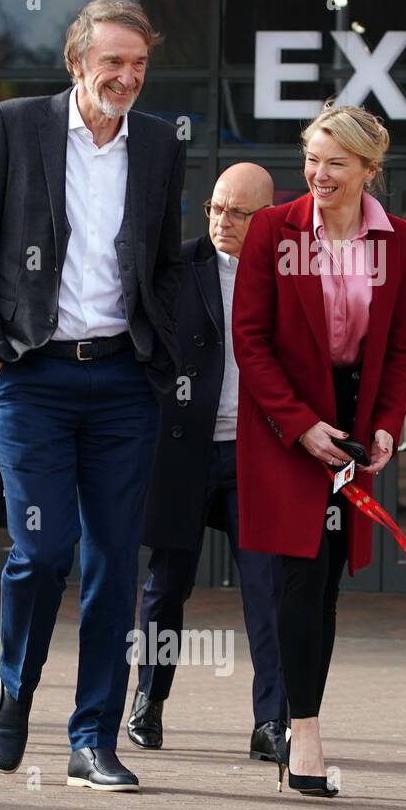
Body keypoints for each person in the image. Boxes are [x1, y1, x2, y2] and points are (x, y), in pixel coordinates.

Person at [0, 0, 184, 793]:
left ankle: (92, 735)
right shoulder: (15, 125)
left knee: (115, 563)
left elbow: (156, 261)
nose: (127, 77)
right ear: (77, 62)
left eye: (139, 65)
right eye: (113, 62)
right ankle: (14, 690)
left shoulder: (159, 143)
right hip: (34, 376)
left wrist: (160, 353)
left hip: (123, 379)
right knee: (44, 550)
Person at [234, 102, 406, 797]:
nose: (319, 173)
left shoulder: (397, 239)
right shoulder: (273, 231)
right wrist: (299, 424)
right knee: (297, 575)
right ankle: (302, 732)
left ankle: (300, 719)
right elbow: (249, 341)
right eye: (312, 159)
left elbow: (399, 346)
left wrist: (385, 425)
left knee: (329, 575)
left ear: (370, 168)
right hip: (285, 423)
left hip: (353, 420)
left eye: (336, 162)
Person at [127, 163, 287, 763]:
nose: (223, 222)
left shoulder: (287, 271)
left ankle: (271, 722)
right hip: (182, 451)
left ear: (267, 214)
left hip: (256, 454)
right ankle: (148, 702)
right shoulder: (179, 266)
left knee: (267, 591)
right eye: (217, 208)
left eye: (239, 213)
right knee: (165, 587)